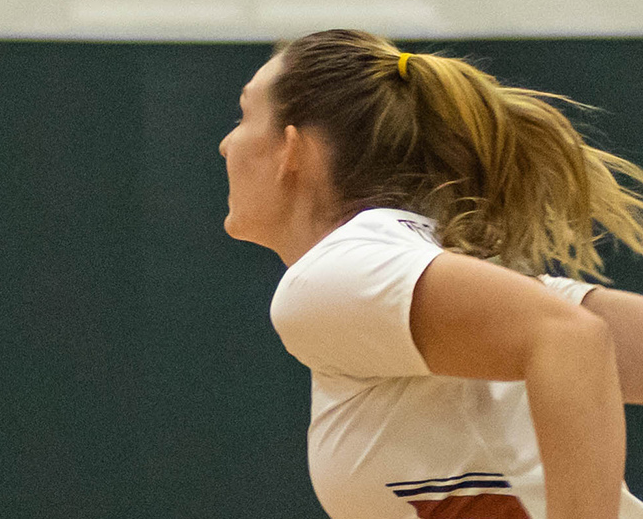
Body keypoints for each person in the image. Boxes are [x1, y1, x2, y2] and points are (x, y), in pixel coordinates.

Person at [219, 29, 643, 519]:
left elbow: (570, 337)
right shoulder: (419, 267)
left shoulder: (333, 273)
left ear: (292, 151)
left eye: (245, 115)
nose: (227, 144)